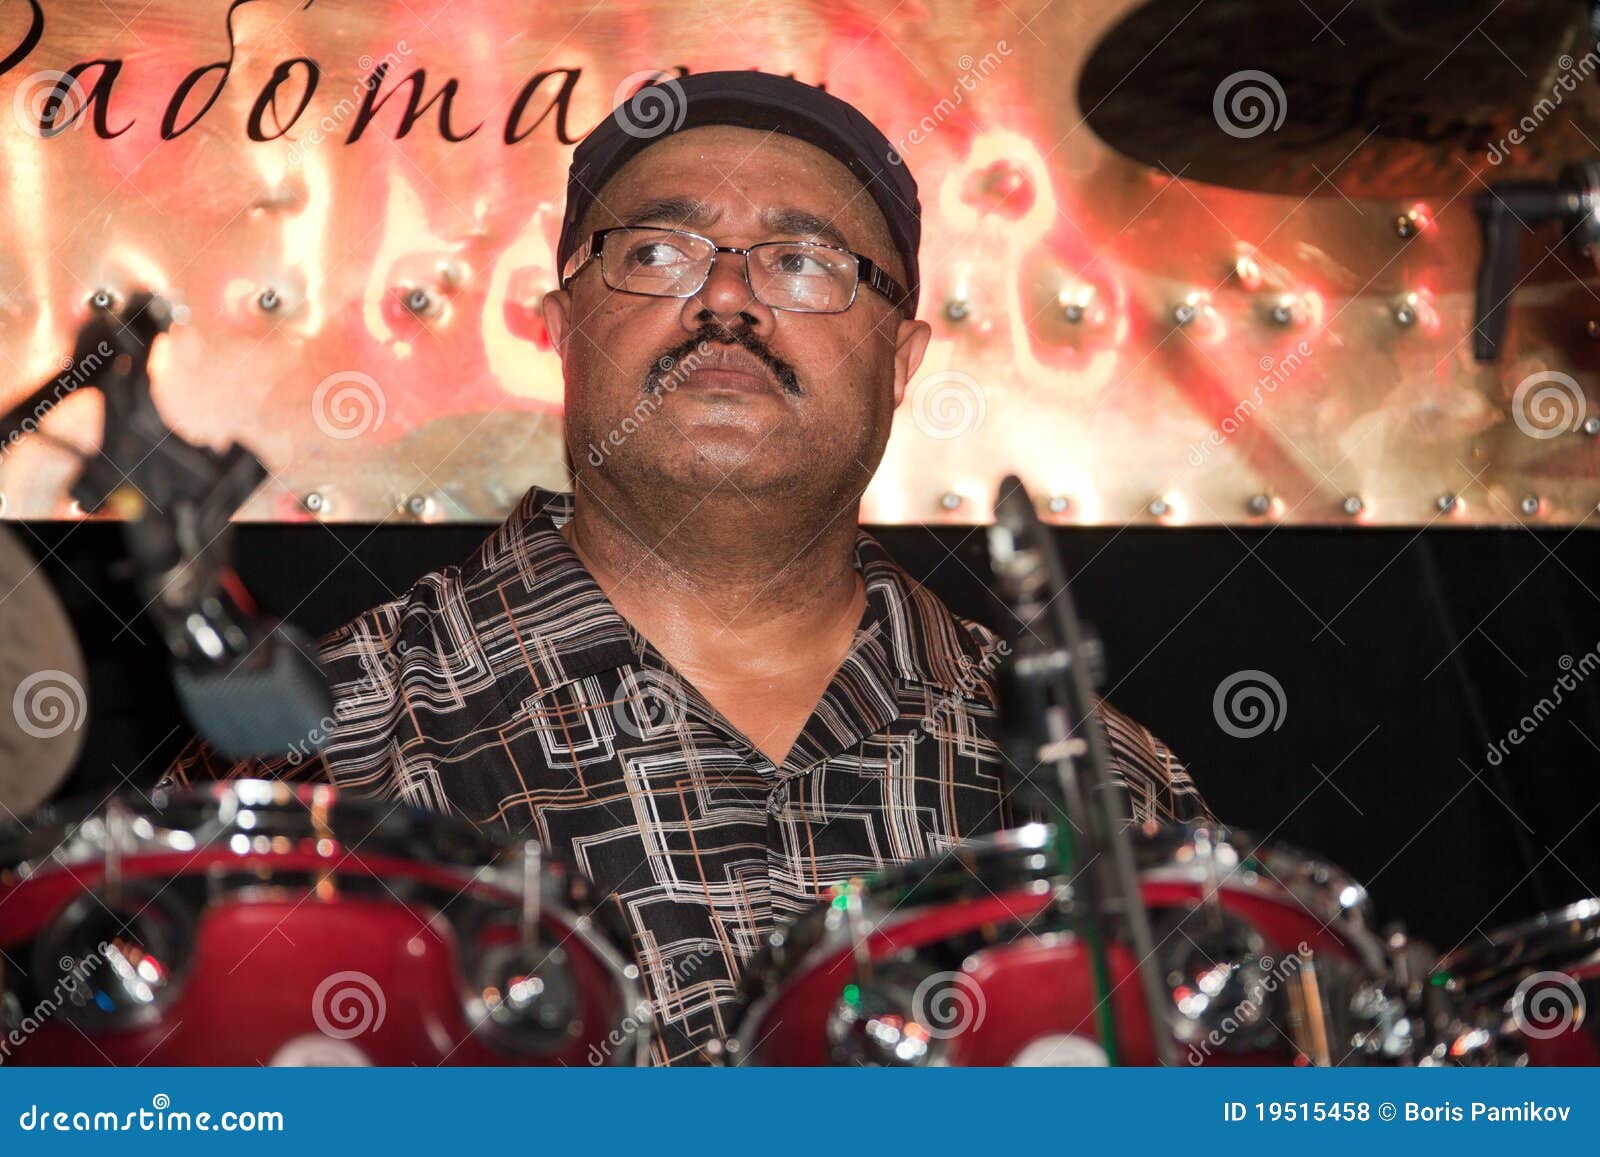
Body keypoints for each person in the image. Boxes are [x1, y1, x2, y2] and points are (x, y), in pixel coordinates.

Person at [163, 70, 1209, 1065]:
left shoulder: (1109, 791)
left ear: (901, 365)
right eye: (660, 251)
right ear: (563, 328)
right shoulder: (312, 756)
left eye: (803, 261)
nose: (727, 300)